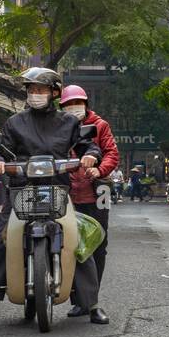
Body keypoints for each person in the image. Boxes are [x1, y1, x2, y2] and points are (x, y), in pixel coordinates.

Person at [0, 68, 101, 328]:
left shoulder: (69, 122)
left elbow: (89, 145)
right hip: (21, 189)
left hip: (57, 189)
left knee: (78, 240)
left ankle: (93, 304)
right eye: (31, 90)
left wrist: (90, 156)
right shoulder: (15, 122)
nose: (35, 95)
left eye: (41, 90)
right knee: (1, 239)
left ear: (54, 92)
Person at [59, 84, 119, 318]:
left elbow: (112, 153)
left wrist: (100, 169)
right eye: (69, 105)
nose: (74, 108)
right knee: (70, 246)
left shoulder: (100, 125)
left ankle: (90, 299)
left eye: (78, 103)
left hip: (96, 193)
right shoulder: (59, 127)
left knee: (97, 245)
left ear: (86, 105)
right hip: (66, 192)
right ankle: (79, 300)